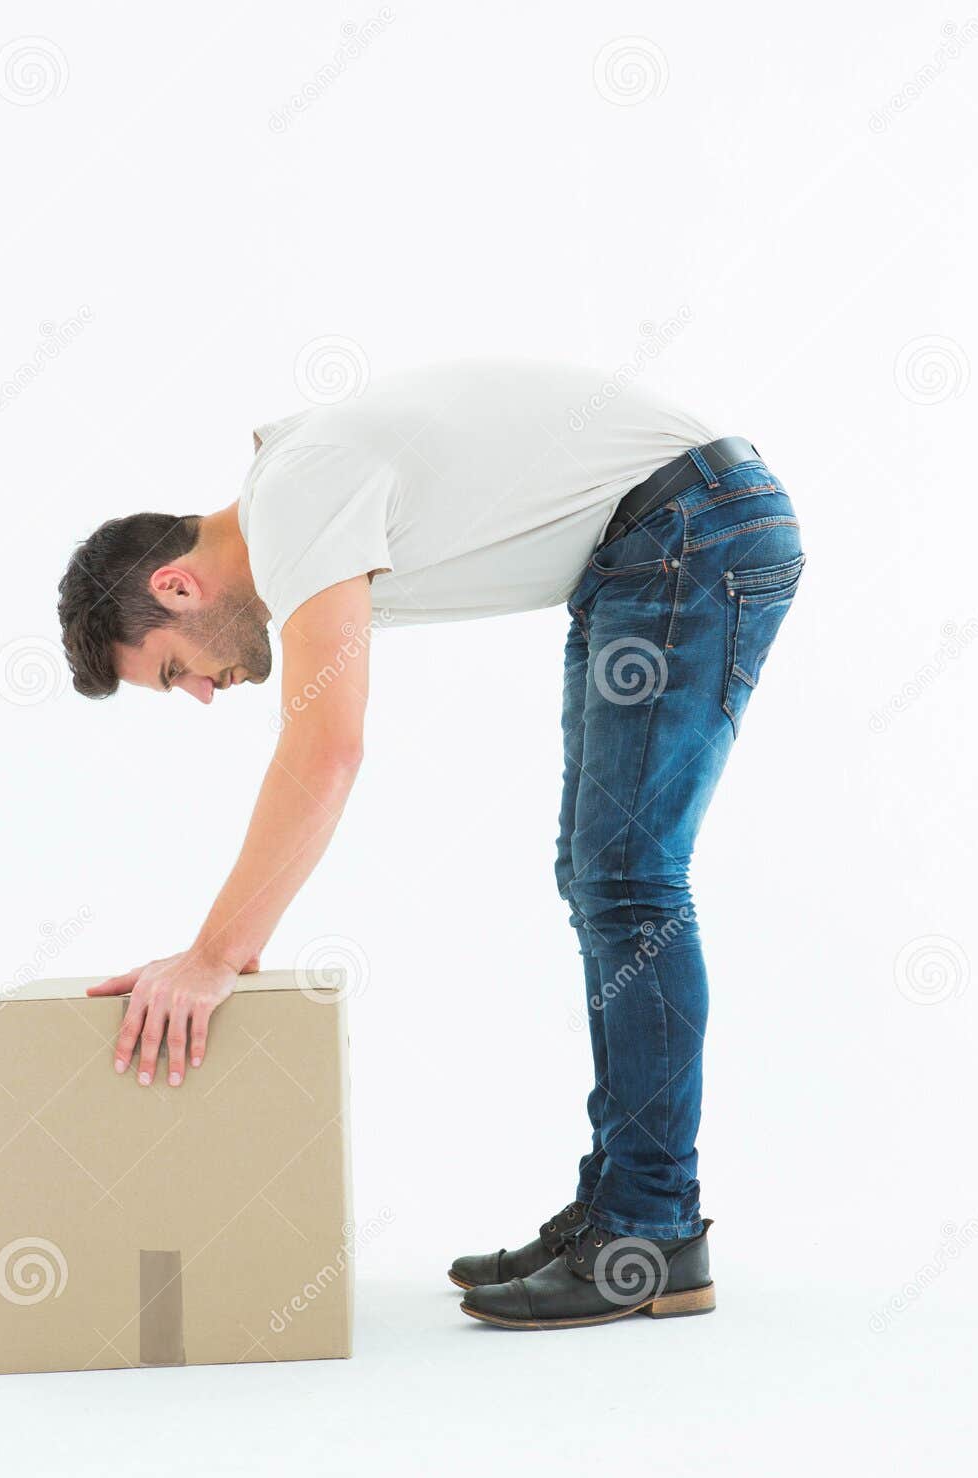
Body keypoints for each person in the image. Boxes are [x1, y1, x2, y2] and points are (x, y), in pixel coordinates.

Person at [57, 359, 805, 1332]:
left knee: (628, 878)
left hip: (685, 527)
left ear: (176, 584)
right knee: (600, 875)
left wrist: (209, 959)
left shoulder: (292, 495)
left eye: (172, 669)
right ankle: (621, 1212)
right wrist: (221, 949)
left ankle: (648, 1237)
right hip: (653, 544)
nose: (201, 691)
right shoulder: (297, 494)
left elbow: (325, 748)